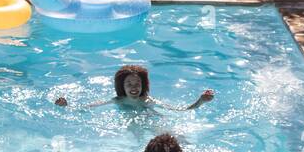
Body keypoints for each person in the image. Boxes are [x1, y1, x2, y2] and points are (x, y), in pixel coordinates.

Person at [54, 62, 213, 111]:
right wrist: (67, 106)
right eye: (129, 84)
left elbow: (181, 110)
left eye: (137, 83)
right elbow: (87, 107)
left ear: (143, 85)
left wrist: (201, 101)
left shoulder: (148, 101)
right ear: (121, 86)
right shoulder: (117, 100)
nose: (134, 87)